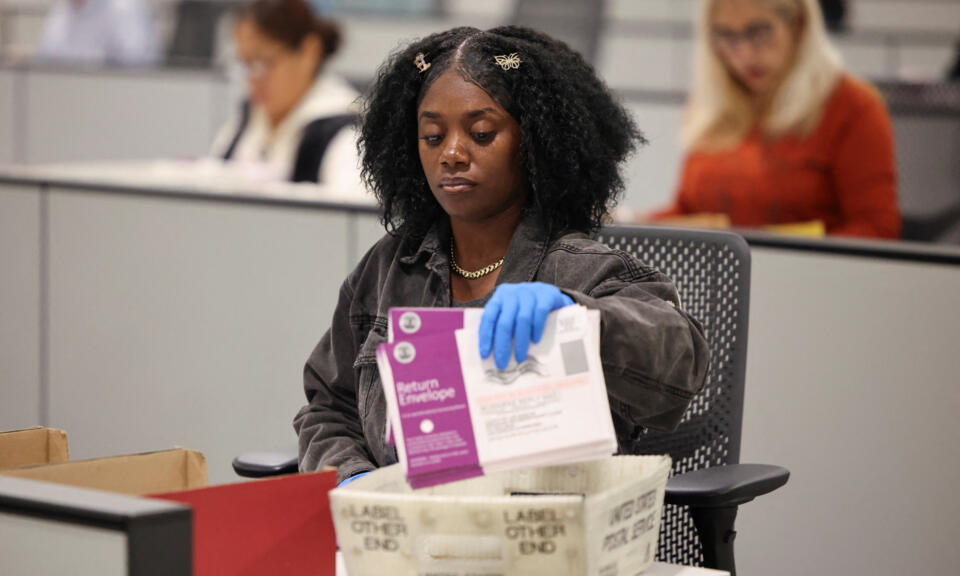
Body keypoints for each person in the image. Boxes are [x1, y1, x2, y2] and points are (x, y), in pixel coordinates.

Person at [293, 26, 711, 485]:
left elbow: (682, 358)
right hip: (408, 536)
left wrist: (581, 318)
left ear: (533, 143)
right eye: (433, 136)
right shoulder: (387, 269)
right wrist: (352, 478)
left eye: (481, 133)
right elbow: (327, 407)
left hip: (544, 538)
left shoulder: (582, 268)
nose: (451, 153)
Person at [651, 0, 900, 239]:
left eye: (759, 32)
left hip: (813, 277)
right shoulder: (709, 107)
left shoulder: (853, 106)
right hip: (717, 276)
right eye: (726, 35)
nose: (745, 54)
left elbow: (877, 228)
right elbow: (687, 213)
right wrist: (630, 223)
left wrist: (789, 255)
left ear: (798, 24)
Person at [210, 0, 365, 196]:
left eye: (265, 63)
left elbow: (348, 218)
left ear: (310, 51)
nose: (254, 80)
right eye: (246, 65)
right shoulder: (246, 123)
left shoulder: (344, 132)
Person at [36, 0, 158, 66]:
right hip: (65, 97)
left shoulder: (125, 9)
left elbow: (136, 69)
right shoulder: (61, 10)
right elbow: (44, 60)